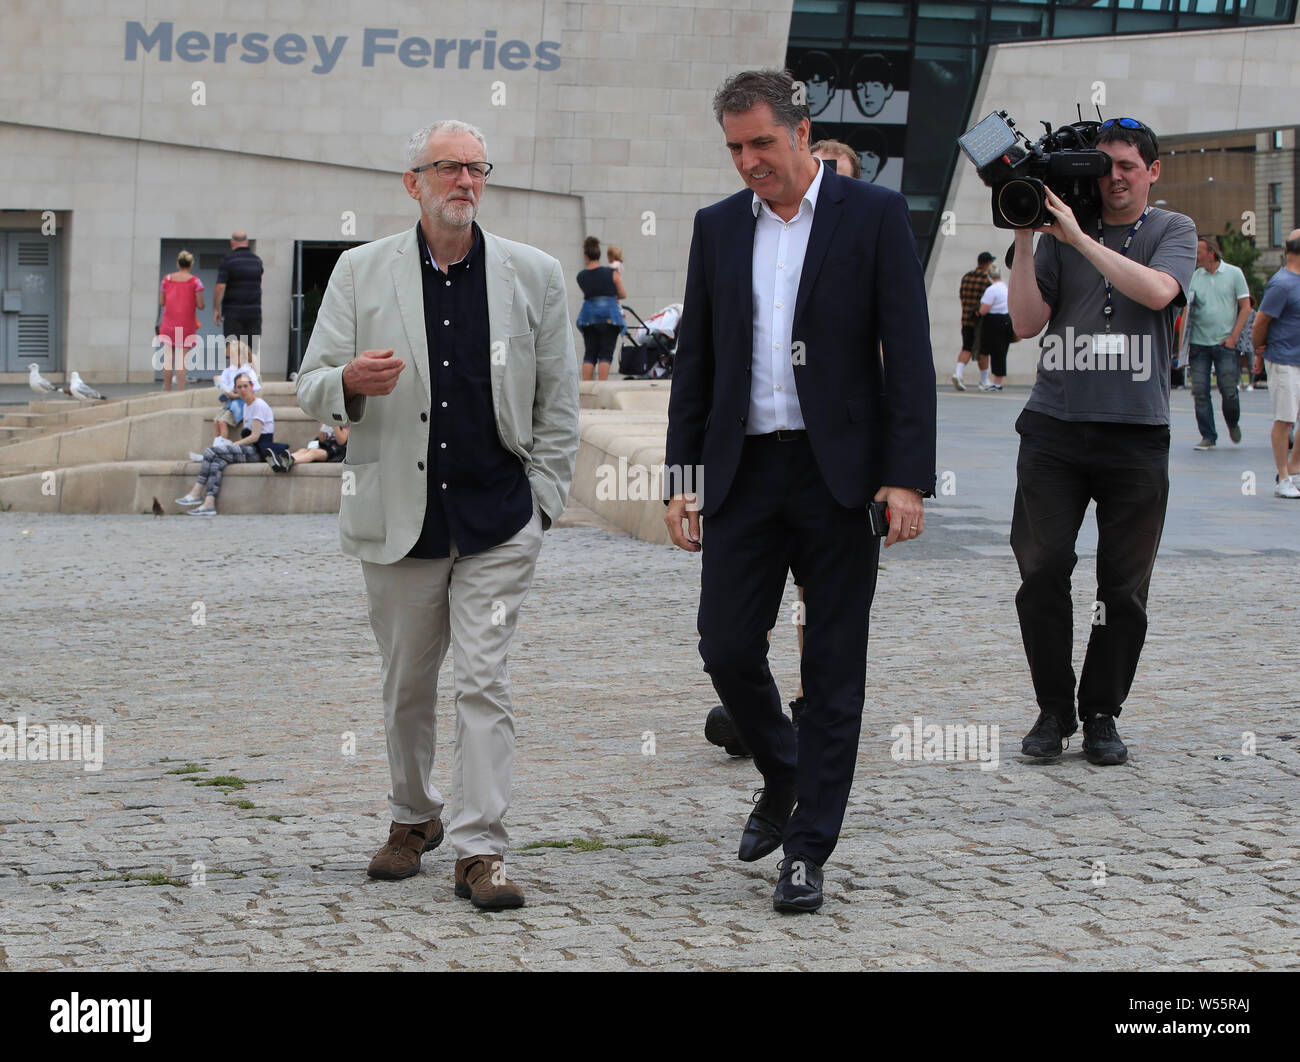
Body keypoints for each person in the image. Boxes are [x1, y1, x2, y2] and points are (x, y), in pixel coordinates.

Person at [665, 69, 936, 913]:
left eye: (762, 144)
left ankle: (809, 849)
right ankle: (785, 774)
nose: (749, 162)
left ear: (804, 131)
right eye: (735, 148)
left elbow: (908, 352)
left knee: (832, 666)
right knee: (726, 646)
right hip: (743, 472)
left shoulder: (876, 215)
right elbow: (696, 365)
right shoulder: (716, 229)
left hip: (839, 478)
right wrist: (683, 479)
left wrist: (905, 476)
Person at [295, 119, 579, 910]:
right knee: (407, 684)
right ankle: (413, 818)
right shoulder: (359, 271)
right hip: (399, 518)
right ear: (412, 183)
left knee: (484, 683)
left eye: (476, 168)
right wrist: (348, 379)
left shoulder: (534, 273)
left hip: (497, 518)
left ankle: (481, 851)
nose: (465, 180)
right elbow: (309, 380)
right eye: (447, 167)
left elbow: (559, 398)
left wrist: (544, 502)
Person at [1007, 117, 1196, 766]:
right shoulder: (1057, 233)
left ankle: (1101, 712)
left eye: (1125, 166)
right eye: (1103, 166)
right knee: (1042, 570)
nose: (1112, 178)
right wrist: (1028, 240)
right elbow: (1027, 324)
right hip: (1054, 429)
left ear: (1151, 171)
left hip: (1136, 435)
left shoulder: (1172, 231)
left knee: (1122, 587)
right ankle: (1053, 709)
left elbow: (1157, 292)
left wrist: (1081, 238)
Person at [175, 372, 273, 515]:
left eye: (246, 386)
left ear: (252, 386)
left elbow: (255, 436)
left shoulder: (259, 405)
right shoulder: (246, 406)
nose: (243, 389)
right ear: (236, 389)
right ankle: (209, 503)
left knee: (210, 452)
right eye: (239, 387)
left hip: (259, 450)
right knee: (217, 462)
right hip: (249, 448)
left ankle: (196, 491)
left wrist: (236, 444)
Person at [1187, 234, 1249, 450]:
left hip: (1224, 344)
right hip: (1199, 343)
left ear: (1211, 253)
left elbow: (1246, 307)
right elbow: (1188, 308)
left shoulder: (1234, 274)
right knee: (1200, 392)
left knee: (1228, 390)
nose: (1196, 256)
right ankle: (1208, 436)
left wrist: (1234, 337)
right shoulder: (1195, 276)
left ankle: (1232, 422)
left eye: (1199, 252)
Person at [1250, 230, 1300, 498]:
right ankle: (1283, 477)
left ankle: (1293, 470)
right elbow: (1261, 322)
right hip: (1283, 360)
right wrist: (1259, 351)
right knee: (1285, 419)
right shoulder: (1281, 284)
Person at [576, 236, 627, 382]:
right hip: (609, 317)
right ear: (599, 255)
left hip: (588, 318)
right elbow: (623, 294)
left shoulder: (581, 276)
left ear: (586, 256)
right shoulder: (611, 273)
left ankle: (585, 388)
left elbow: (588, 293)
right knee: (605, 354)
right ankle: (602, 387)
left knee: (590, 354)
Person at [158, 250, 205, 392]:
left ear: (178, 263)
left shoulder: (166, 279)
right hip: (186, 323)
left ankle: (167, 390)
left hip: (168, 322)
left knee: (168, 358)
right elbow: (201, 305)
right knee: (182, 359)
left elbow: (162, 302)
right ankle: (180, 391)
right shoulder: (195, 281)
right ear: (191, 264)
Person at [214, 231, 264, 354]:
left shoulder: (228, 261)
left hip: (233, 313)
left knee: (233, 350)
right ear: (246, 242)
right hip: (254, 313)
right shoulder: (257, 261)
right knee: (250, 352)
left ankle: (236, 373)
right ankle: (249, 372)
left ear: (232, 243)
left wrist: (216, 308)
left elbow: (220, 287)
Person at [953, 252, 995, 390]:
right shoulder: (985, 280)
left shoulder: (966, 277)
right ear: (988, 263)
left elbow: (961, 297)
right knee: (983, 351)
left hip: (965, 320)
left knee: (966, 347)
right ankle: (984, 380)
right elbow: (988, 302)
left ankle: (958, 373)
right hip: (980, 323)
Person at [977, 263, 1013, 391]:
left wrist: (977, 312)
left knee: (986, 350)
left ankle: (986, 380)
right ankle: (998, 382)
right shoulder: (1005, 287)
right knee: (1001, 351)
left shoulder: (991, 290)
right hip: (1006, 320)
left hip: (993, 322)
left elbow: (983, 310)